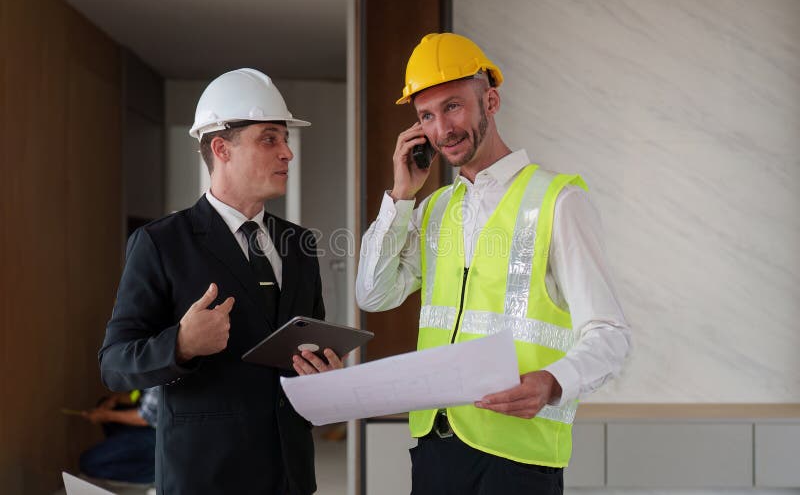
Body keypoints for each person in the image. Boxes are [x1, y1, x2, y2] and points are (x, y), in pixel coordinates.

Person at [356, 33, 631, 494]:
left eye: (453, 107)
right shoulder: (436, 208)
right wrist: (401, 197)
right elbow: (374, 292)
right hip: (436, 449)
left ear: (491, 101)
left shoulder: (558, 201)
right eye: (427, 115)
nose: (442, 129)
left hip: (518, 457)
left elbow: (611, 334)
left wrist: (552, 382)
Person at [99, 68, 342, 495]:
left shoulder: (299, 244)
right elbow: (115, 364)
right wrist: (181, 344)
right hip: (206, 477)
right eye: (270, 138)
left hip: (291, 476)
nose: (287, 153)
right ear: (220, 148)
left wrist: (322, 373)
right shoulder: (160, 244)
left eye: (285, 139)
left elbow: (305, 346)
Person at [79, 388, 157, 485]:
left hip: (161, 436)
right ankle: (131, 452)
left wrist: (106, 415)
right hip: (152, 427)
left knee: (90, 464)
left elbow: (145, 417)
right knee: (104, 403)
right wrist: (115, 400)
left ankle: (154, 471)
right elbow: (138, 396)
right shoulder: (147, 378)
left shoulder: (158, 379)